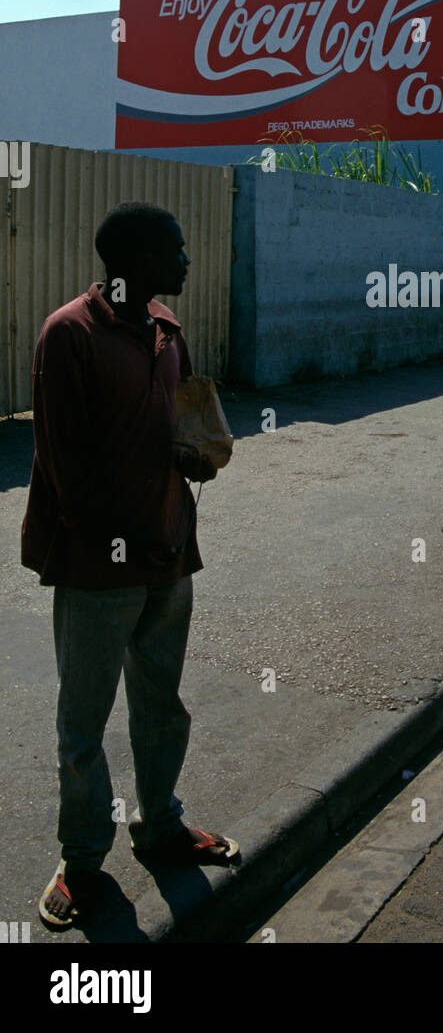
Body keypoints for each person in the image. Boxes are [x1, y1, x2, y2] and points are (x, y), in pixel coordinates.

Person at [21, 202, 238, 931]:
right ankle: (82, 862)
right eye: (174, 249)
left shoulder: (168, 331)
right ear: (135, 259)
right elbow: (62, 467)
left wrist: (196, 453)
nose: (186, 259)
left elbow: (172, 429)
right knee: (82, 721)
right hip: (98, 569)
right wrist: (119, 542)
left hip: (170, 554)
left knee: (161, 704)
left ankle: (163, 828)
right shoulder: (70, 334)